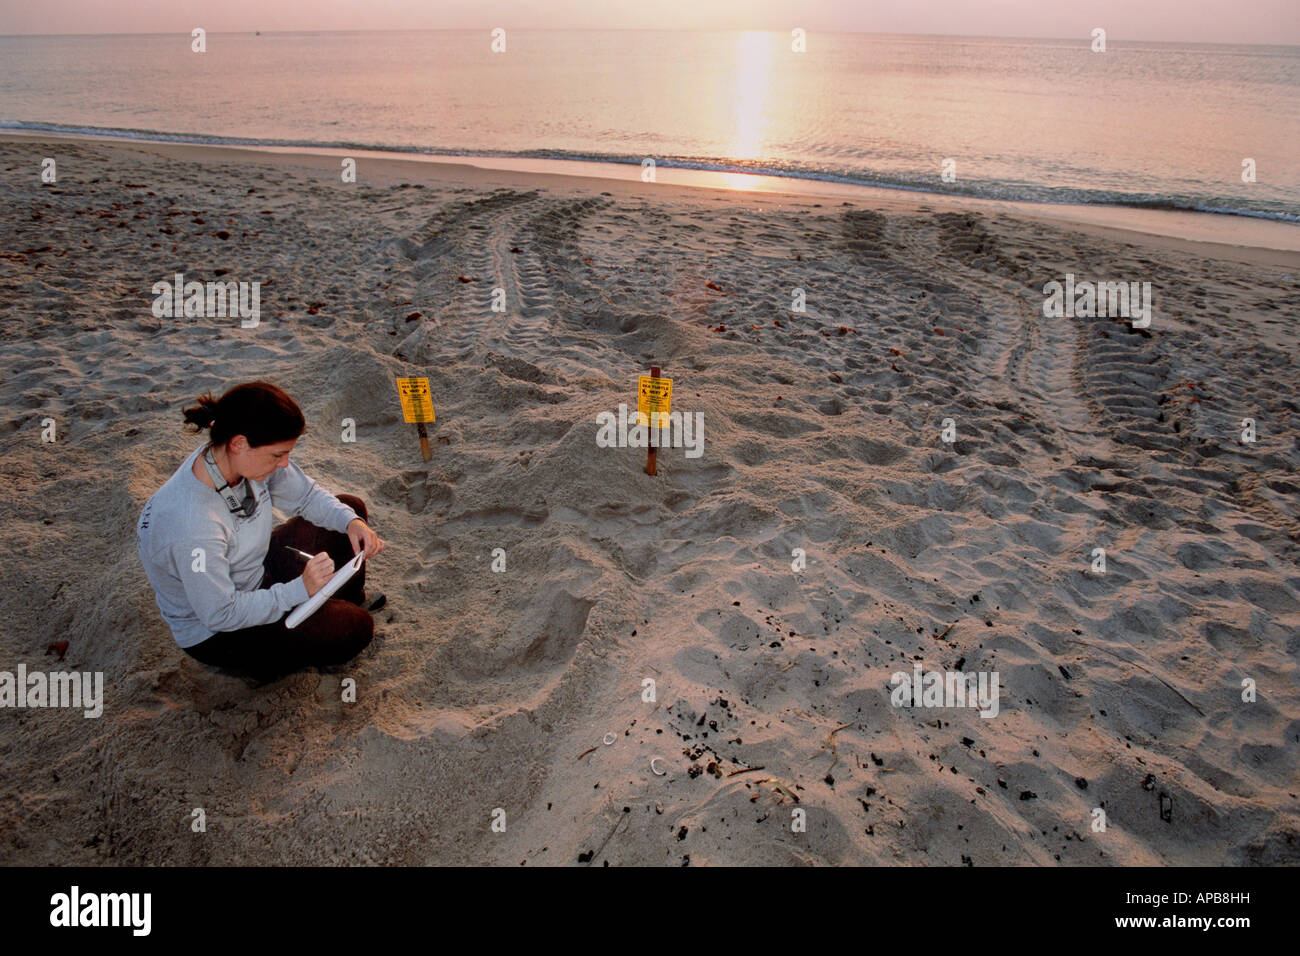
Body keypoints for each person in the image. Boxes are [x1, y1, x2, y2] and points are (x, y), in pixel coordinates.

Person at [136, 381, 386, 680]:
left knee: (349, 510)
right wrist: (297, 590)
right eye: (277, 455)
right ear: (239, 443)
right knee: (356, 628)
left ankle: (339, 599)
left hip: (253, 569)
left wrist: (351, 522)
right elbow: (221, 613)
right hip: (220, 630)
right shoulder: (193, 526)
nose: (284, 464)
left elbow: (306, 496)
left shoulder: (233, 459)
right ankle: (298, 634)